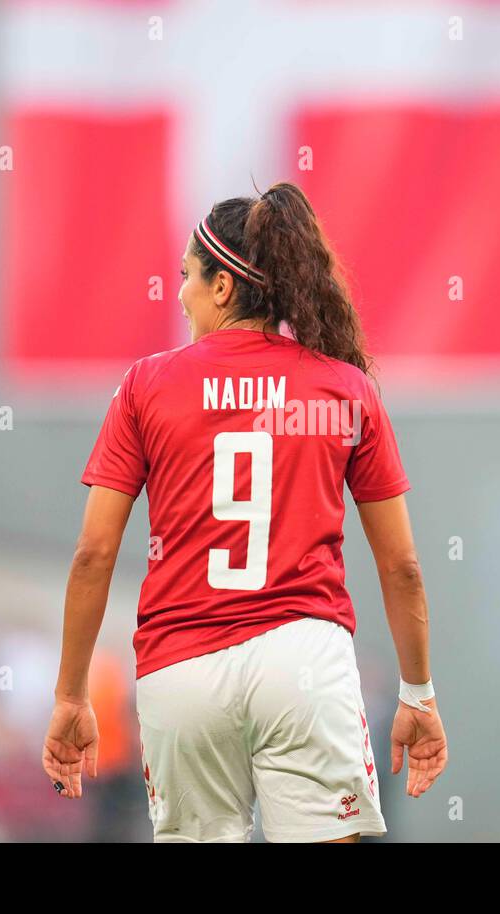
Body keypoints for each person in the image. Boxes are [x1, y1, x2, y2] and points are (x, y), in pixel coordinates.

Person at [42, 182, 447, 842]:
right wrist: (417, 693)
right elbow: (400, 565)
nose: (180, 294)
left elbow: (94, 553)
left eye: (187, 278)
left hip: (183, 670)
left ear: (223, 286)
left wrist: (70, 696)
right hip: (305, 665)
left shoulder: (146, 386)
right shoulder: (345, 387)